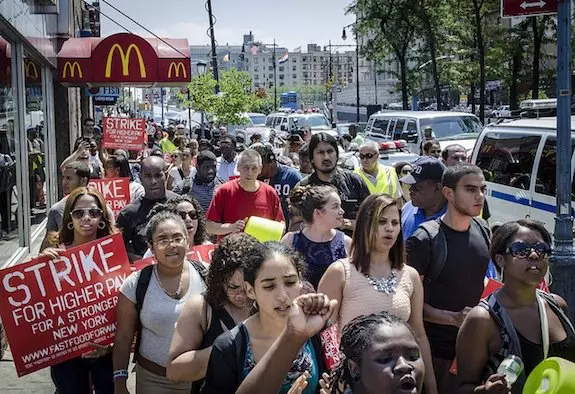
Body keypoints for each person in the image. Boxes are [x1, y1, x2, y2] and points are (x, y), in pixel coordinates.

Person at [318, 194, 437, 393]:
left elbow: (419, 336)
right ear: (365, 224)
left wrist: (431, 388)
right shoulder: (340, 272)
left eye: (394, 222)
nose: (389, 228)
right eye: (381, 222)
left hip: (399, 383)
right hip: (352, 382)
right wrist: (336, 380)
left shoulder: (411, 276)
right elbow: (325, 335)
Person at [457, 219, 575, 393]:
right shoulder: (483, 319)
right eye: (521, 250)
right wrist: (484, 390)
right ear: (500, 260)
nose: (534, 255)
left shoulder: (557, 305)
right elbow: (462, 387)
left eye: (542, 249)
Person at [405, 164, 490, 393]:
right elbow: (409, 305)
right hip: (437, 354)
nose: (480, 196)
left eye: (483, 188)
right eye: (471, 189)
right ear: (448, 193)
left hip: (475, 351)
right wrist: (453, 318)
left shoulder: (483, 229)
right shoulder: (424, 239)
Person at [201, 242, 327, 393]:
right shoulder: (229, 346)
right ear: (250, 290)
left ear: (300, 281)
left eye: (290, 282)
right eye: (269, 286)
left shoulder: (317, 329)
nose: (282, 296)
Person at [113, 209, 207, 394]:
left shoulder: (207, 275)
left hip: (201, 380)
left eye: (177, 238)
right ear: (151, 246)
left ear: (187, 242)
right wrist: (120, 383)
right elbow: (123, 337)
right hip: (153, 380)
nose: (171, 245)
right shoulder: (135, 284)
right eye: (163, 240)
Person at [41, 187, 117, 394]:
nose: (86, 218)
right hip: (65, 354)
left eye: (93, 212)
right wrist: (37, 268)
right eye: (78, 213)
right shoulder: (55, 256)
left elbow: (123, 307)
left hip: (104, 351)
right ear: (69, 219)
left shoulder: (113, 256)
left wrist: (111, 344)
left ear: (102, 217)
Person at [167, 233, 260, 392]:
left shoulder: (267, 303)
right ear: (219, 280)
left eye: (250, 288)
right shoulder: (200, 308)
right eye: (233, 287)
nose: (242, 295)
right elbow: (175, 371)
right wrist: (231, 347)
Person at [298, 133, 370, 234]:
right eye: (320, 152)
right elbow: (296, 225)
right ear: (312, 158)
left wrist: (346, 224)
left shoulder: (354, 182)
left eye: (330, 151)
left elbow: (371, 222)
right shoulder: (304, 187)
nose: (326, 157)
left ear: (337, 155)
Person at [282, 185, 351, 289]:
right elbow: (276, 275)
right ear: (318, 212)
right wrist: (298, 284)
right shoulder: (290, 241)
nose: (342, 211)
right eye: (335, 207)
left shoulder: (346, 243)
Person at [206, 149, 284, 239]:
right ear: (238, 167)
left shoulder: (270, 193)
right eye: (245, 167)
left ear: (260, 169)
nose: (249, 173)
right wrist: (231, 227)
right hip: (230, 250)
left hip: (261, 251)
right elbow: (209, 226)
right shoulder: (225, 191)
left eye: (254, 168)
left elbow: (281, 225)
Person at [117, 156, 178, 261]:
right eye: (148, 176)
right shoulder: (129, 213)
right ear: (140, 178)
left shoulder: (180, 204)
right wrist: (135, 258)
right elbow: (117, 247)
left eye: (158, 175)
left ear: (166, 175)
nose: (153, 181)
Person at [142, 196, 211, 258]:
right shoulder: (156, 251)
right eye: (182, 216)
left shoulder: (209, 248)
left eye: (192, 214)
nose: (188, 219)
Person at [252, 143, 302, 225]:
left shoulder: (291, 176)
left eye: (258, 164)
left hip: (287, 230)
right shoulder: (253, 178)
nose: (254, 169)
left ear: (270, 160)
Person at [400, 157, 447, 240]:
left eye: (417, 187)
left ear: (437, 188)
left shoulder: (454, 218)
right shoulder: (407, 208)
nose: (411, 189)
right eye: (411, 185)